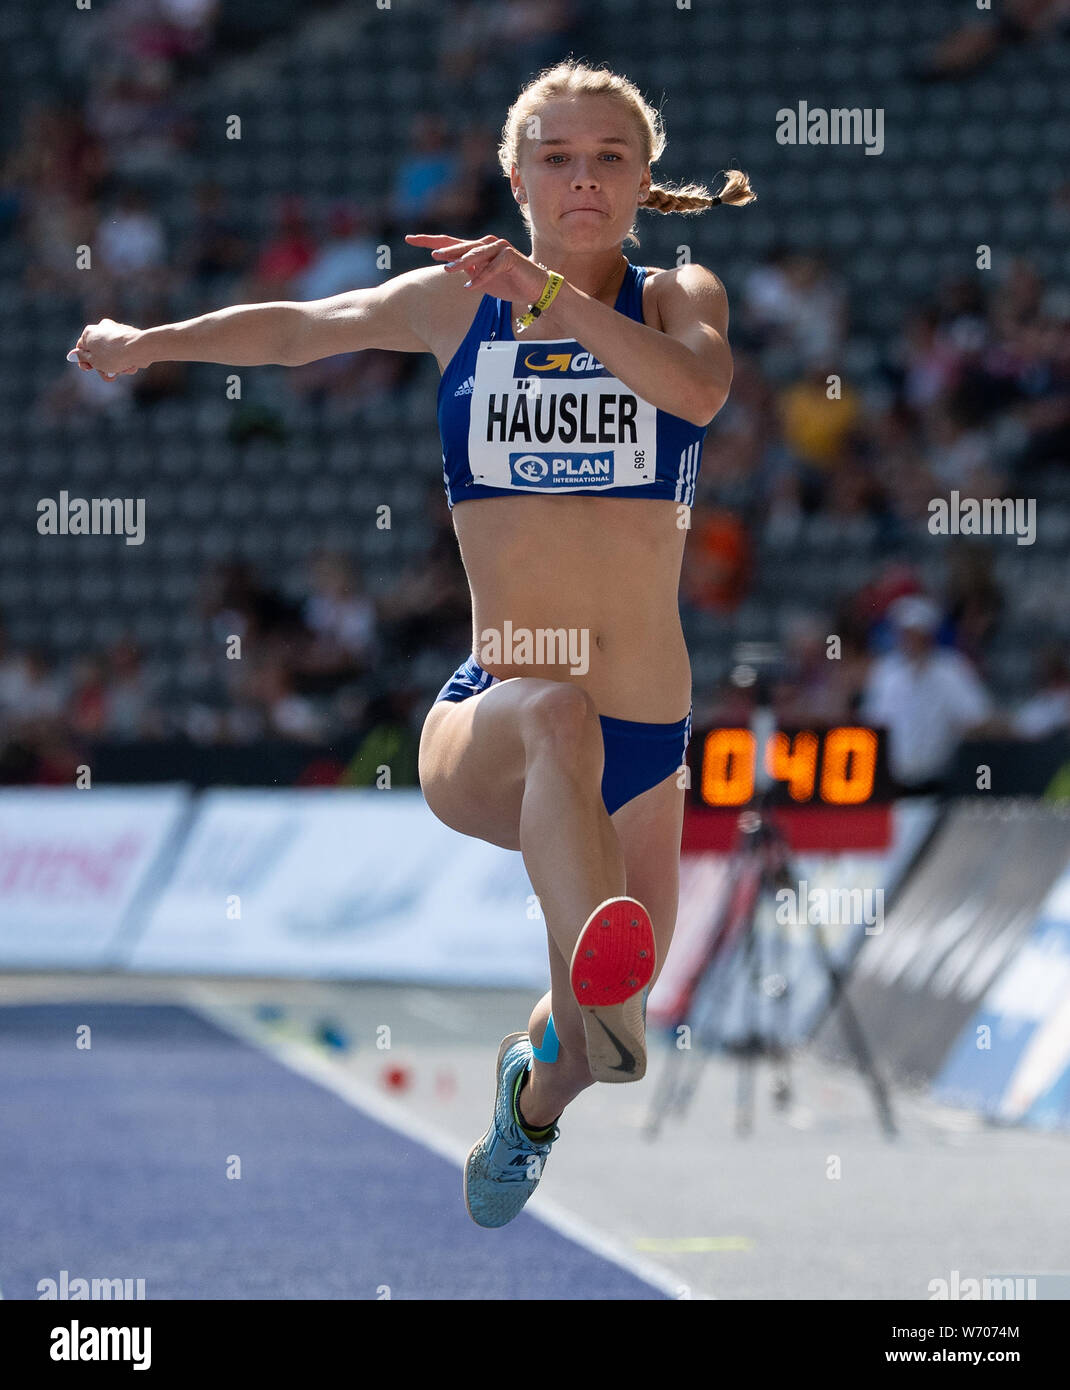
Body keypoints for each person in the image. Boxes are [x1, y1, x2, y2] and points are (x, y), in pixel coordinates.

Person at [69, 59, 755, 1228]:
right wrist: (153, 339)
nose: (580, 178)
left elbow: (691, 395)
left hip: (647, 731)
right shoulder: (454, 303)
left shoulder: (678, 296)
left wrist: (546, 299)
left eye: (606, 158)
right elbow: (300, 329)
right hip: (494, 709)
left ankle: (528, 1101)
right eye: (555, 157)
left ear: (644, 180)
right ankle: (594, 996)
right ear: (514, 176)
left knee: (590, 1040)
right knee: (553, 713)